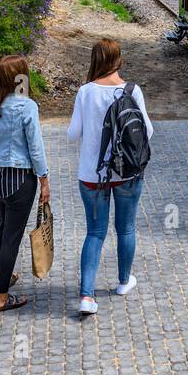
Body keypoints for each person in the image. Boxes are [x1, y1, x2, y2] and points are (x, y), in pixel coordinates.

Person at [67, 38, 153, 317]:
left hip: (93, 176)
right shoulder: (133, 90)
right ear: (118, 60)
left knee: (95, 233)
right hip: (127, 174)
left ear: (95, 60)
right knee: (126, 229)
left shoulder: (85, 92)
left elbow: (73, 134)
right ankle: (124, 282)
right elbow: (148, 132)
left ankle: (87, 297)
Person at [0, 55, 50, 312]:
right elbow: (35, 148)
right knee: (12, 237)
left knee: (4, 228)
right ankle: (1, 298)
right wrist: (44, 179)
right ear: (21, 76)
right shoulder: (26, 106)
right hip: (19, 179)